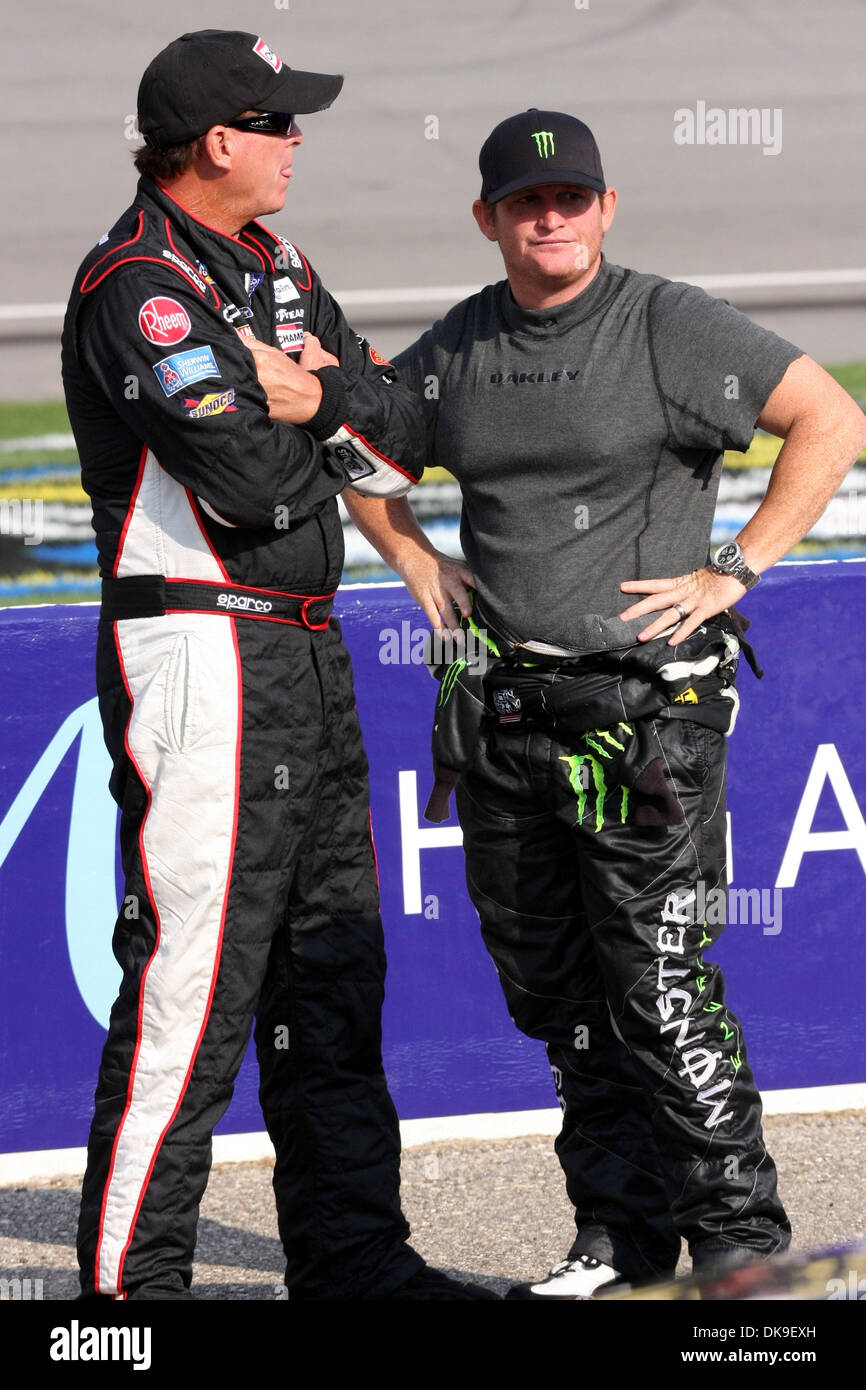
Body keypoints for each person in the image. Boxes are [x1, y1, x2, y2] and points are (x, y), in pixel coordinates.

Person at [344, 108, 866, 1298]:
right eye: (525, 205)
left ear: (605, 208)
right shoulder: (457, 348)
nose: (550, 219)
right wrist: (415, 557)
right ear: (487, 220)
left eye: (570, 198)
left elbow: (830, 421)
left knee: (657, 981)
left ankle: (739, 1247)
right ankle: (618, 1242)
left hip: (644, 718)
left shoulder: (666, 324)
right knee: (556, 995)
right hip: (502, 716)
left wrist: (729, 569)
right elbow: (360, 453)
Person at [61, 28, 498, 1301]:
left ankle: (354, 1260)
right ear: (217, 144)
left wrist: (310, 396)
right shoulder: (136, 285)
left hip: (304, 646)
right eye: (282, 123)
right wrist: (324, 417)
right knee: (193, 987)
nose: (299, 141)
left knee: (332, 965)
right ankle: (126, 1304)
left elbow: (405, 437)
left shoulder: (280, 267)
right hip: (200, 644)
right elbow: (246, 483)